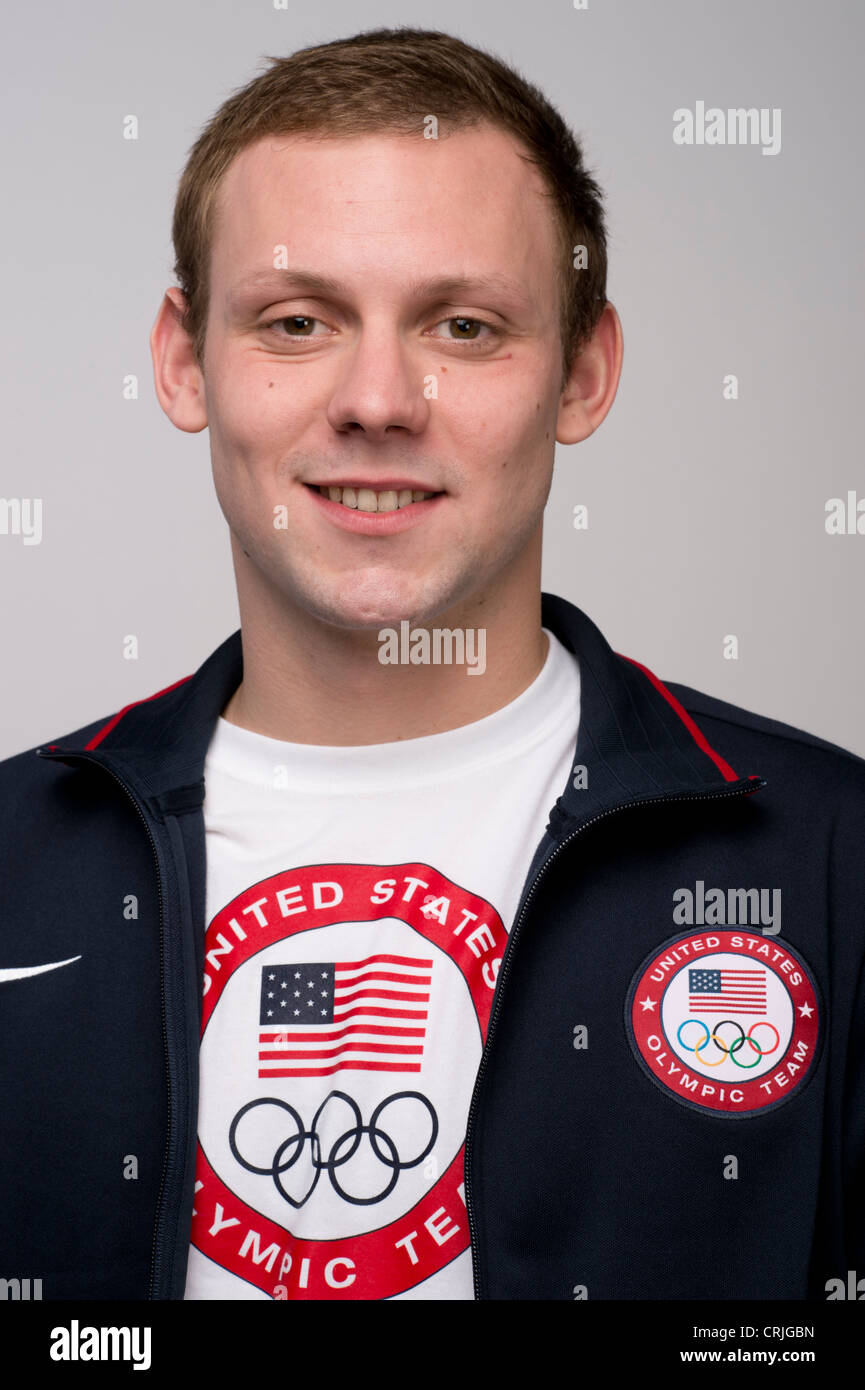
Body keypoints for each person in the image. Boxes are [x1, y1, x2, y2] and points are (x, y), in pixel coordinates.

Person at [1, 25, 863, 1303]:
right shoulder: (14, 858)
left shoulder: (832, 859)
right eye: (297, 321)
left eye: (462, 326)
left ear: (582, 370)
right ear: (185, 361)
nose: (378, 399)